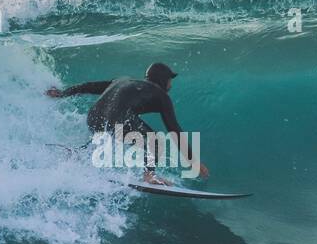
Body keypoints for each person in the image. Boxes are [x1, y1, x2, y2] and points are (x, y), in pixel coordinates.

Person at [46, 62, 209, 185]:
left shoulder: (122, 80)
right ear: (163, 80)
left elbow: (90, 86)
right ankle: (149, 175)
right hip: (117, 118)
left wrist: (63, 93)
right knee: (154, 141)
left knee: (107, 132)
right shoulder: (161, 96)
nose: (171, 85)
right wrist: (193, 162)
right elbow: (174, 131)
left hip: (93, 116)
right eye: (169, 80)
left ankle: (77, 154)